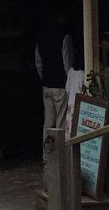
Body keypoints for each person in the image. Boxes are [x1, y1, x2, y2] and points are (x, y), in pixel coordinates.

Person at [33, 9, 77, 149]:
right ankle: (59, 155)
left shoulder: (41, 38)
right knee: (61, 122)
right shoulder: (65, 36)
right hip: (60, 85)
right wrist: (69, 82)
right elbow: (67, 62)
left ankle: (47, 153)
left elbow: (38, 62)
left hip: (47, 85)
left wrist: (44, 78)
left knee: (48, 121)